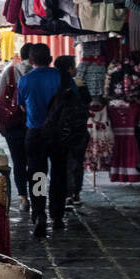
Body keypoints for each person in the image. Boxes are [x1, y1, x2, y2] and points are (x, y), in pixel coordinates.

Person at [18, 44, 66, 238]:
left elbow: (21, 106)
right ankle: (58, 215)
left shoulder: (26, 80)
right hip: (59, 133)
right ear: (51, 58)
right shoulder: (61, 77)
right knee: (58, 173)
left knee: (37, 175)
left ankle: (39, 214)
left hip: (36, 133)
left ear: (31, 61)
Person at [0, 43, 33, 209]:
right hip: (36, 125)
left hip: (13, 125)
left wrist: (1, 123)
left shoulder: (9, 71)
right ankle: (39, 196)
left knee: (18, 162)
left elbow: (0, 99)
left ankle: (23, 198)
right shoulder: (40, 74)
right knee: (37, 163)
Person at [56, 55, 91, 208]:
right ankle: (74, 193)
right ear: (69, 68)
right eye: (73, 66)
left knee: (61, 163)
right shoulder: (79, 85)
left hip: (59, 131)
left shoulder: (55, 84)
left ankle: (63, 193)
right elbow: (87, 102)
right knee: (76, 162)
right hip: (78, 130)